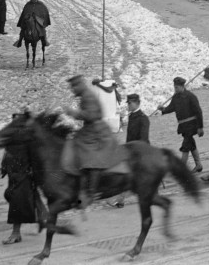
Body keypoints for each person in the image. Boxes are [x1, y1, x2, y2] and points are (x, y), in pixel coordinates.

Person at [64, 74, 119, 208]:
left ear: (79, 85)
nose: (73, 90)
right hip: (89, 129)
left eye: (74, 87)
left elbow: (92, 115)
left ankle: (91, 191)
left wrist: (74, 113)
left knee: (90, 158)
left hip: (95, 130)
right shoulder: (85, 95)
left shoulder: (88, 96)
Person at [0, 134, 47, 245]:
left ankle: (16, 233)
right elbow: (6, 158)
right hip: (14, 177)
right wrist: (1, 171)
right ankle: (41, 215)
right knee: (10, 195)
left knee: (16, 201)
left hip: (26, 177)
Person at [111, 93, 149, 209]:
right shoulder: (132, 116)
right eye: (128, 103)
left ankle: (120, 200)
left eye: (130, 103)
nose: (128, 105)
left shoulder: (143, 119)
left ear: (137, 103)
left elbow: (143, 139)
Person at [160, 76, 204, 172]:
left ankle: (181, 170)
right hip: (183, 126)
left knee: (185, 147)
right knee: (190, 144)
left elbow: (199, 112)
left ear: (182, 86)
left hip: (192, 125)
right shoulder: (175, 97)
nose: (175, 89)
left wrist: (200, 127)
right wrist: (163, 109)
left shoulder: (191, 96)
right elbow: (171, 108)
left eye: (176, 87)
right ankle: (199, 165)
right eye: (174, 87)